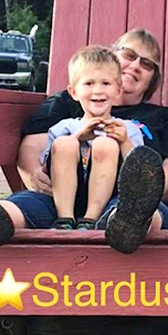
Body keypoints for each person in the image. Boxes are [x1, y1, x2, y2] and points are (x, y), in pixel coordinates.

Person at [0, 28, 168, 253]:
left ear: (152, 78)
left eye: (147, 64)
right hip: (59, 197)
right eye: (129, 55)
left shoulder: (161, 117)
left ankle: (128, 221)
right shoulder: (65, 105)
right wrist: (34, 173)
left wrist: (146, 186)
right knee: (27, 204)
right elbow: (34, 147)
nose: (136, 65)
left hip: (122, 195)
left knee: (144, 209)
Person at [42, 45, 145, 231]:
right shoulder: (63, 127)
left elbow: (140, 173)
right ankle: (64, 219)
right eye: (89, 83)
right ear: (74, 92)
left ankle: (91, 219)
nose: (98, 91)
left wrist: (124, 142)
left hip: (111, 196)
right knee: (65, 143)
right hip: (66, 197)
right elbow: (46, 169)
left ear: (118, 91)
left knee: (105, 144)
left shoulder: (129, 129)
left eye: (106, 83)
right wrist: (77, 138)